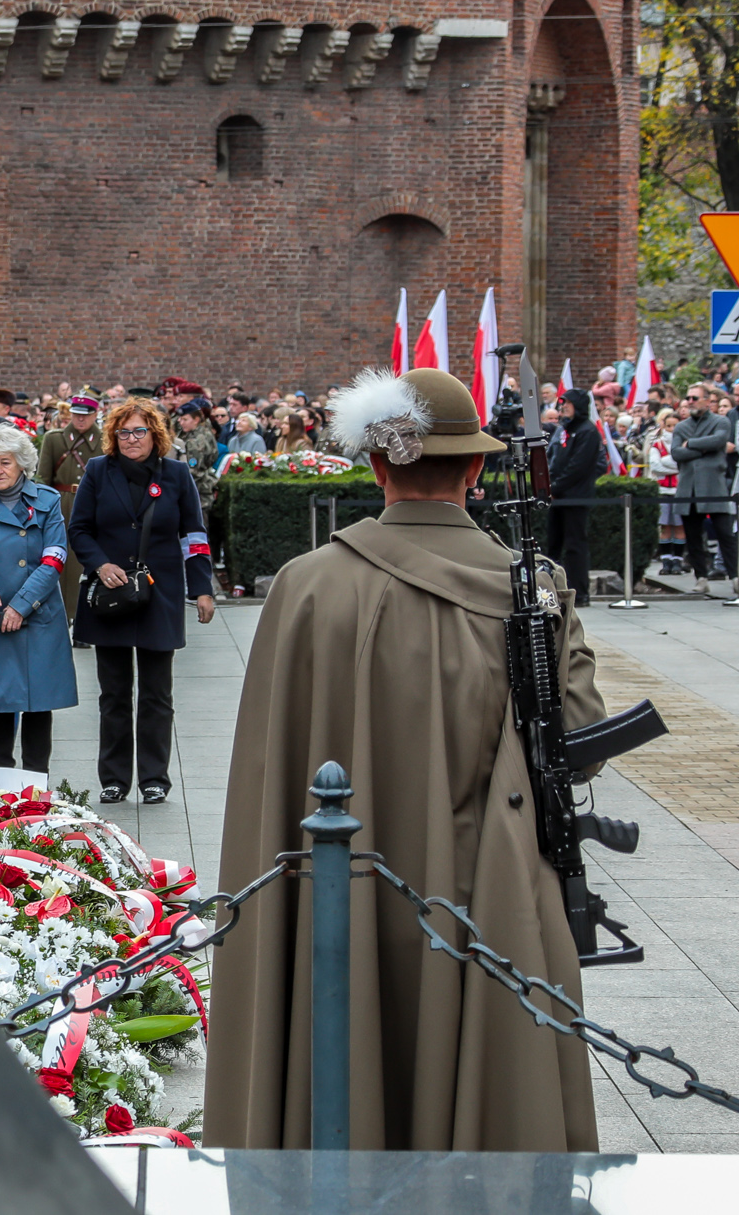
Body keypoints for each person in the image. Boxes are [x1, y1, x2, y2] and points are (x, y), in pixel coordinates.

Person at [208, 365, 605, 1151]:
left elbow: (269, 763)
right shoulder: (537, 586)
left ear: (377, 464)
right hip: (491, 900)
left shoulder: (304, 587)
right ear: (477, 468)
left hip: (337, 894)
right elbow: (581, 743)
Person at [68, 398, 215, 805]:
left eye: (139, 431)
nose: (131, 439)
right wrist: (100, 565)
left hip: (160, 594)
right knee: (113, 694)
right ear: (113, 437)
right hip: (111, 596)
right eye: (124, 432)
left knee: (156, 694)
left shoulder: (177, 474)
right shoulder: (98, 471)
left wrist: (201, 588)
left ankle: (154, 778)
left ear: (156, 434)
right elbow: (79, 530)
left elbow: (195, 536)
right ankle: (114, 778)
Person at [0, 423, 79, 771]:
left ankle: (36, 791)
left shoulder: (48, 501)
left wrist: (22, 606)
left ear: (22, 464)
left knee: (39, 706)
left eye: (5, 463)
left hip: (38, 617)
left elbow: (54, 557)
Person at [36, 394, 102, 618]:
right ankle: (63, 617)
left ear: (95, 415)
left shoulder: (105, 441)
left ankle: (85, 616)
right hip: (61, 503)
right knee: (60, 561)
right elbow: (43, 478)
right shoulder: (54, 439)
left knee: (90, 563)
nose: (80, 420)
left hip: (95, 505)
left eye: (86, 415)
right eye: (76, 415)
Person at [673, 383, 738, 595]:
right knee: (693, 537)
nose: (690, 401)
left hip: (713, 486)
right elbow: (676, 453)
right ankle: (700, 577)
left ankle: (735, 576)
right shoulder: (681, 426)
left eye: (694, 398)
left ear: (707, 401)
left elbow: (719, 440)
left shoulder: (721, 421)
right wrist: (704, 449)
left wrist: (690, 444)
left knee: (725, 534)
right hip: (688, 488)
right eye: (688, 398)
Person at [544, 387, 601, 605]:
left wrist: (555, 486)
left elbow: (578, 467)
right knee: (554, 544)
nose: (562, 407)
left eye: (567, 404)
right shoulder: (565, 430)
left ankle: (579, 592)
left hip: (575, 497)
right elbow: (556, 460)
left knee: (575, 545)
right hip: (559, 497)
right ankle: (553, 589)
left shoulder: (587, 432)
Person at [175, 400, 220, 511]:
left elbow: (193, 469)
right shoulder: (204, 432)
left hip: (199, 490)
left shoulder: (196, 441)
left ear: (196, 420)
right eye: (180, 419)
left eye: (185, 419)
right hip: (201, 488)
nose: (181, 422)